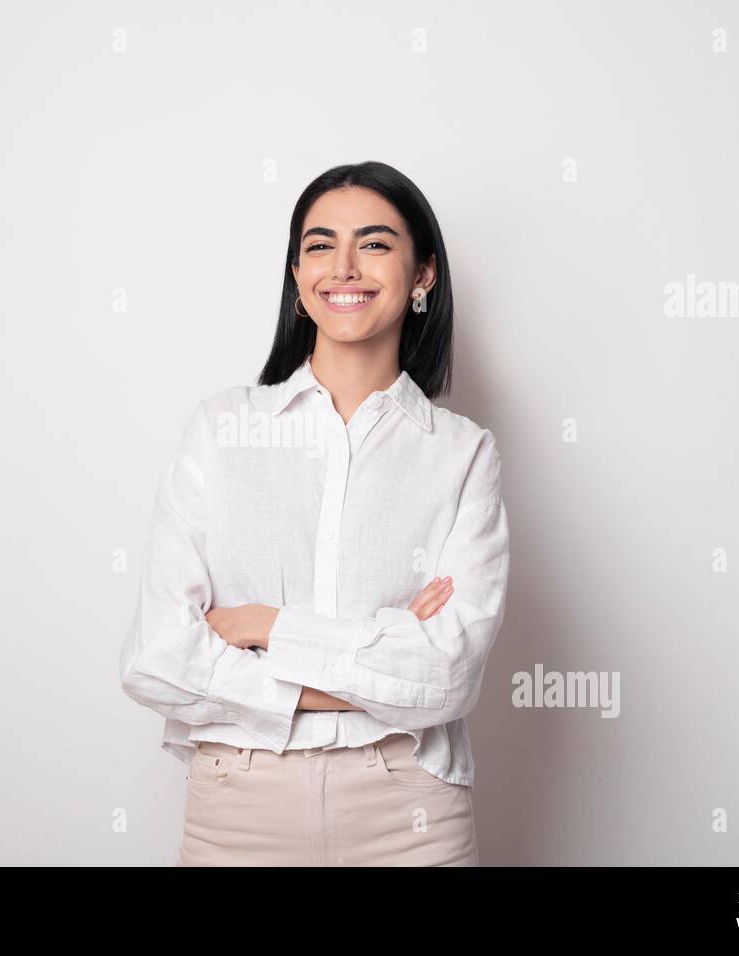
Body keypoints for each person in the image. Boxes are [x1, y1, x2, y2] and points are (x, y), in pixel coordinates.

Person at [119, 160, 510, 866]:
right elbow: (158, 658)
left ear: (423, 274)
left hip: (408, 811)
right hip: (238, 804)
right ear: (298, 275)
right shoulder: (221, 429)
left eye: (377, 243)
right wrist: (382, 656)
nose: (346, 267)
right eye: (321, 245)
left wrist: (266, 627)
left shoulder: (461, 454)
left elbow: (447, 677)